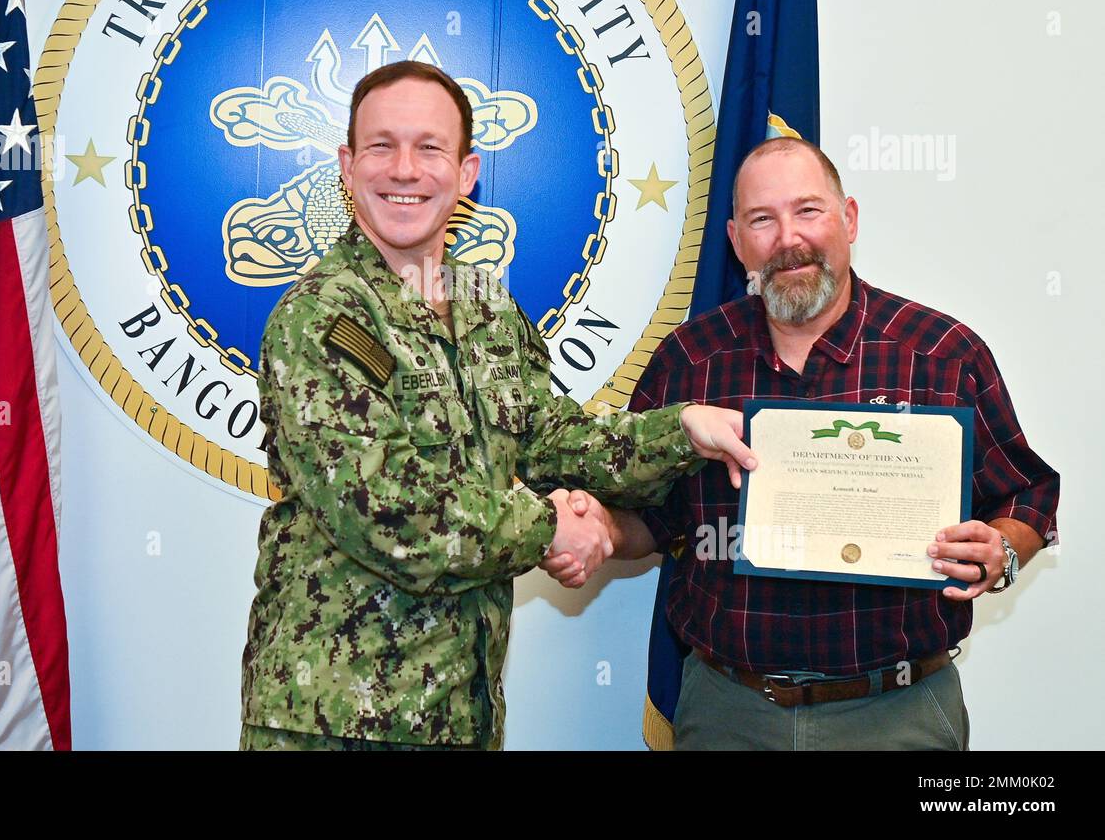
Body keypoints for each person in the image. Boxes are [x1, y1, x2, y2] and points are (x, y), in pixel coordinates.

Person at [239, 60, 756, 751]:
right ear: (347, 164)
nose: (404, 169)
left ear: (466, 172)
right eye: (381, 146)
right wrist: (553, 528)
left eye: (429, 148)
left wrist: (681, 433)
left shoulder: (485, 304)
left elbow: (548, 438)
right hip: (335, 721)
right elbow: (388, 508)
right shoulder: (322, 316)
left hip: (459, 710)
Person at [544, 136, 1059, 751]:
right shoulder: (691, 360)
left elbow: (1029, 494)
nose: (788, 239)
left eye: (809, 210)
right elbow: (652, 519)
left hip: (898, 712)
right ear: (737, 242)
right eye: (763, 219)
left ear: (849, 219)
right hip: (728, 711)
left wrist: (1002, 550)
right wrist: (597, 528)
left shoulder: (943, 355)